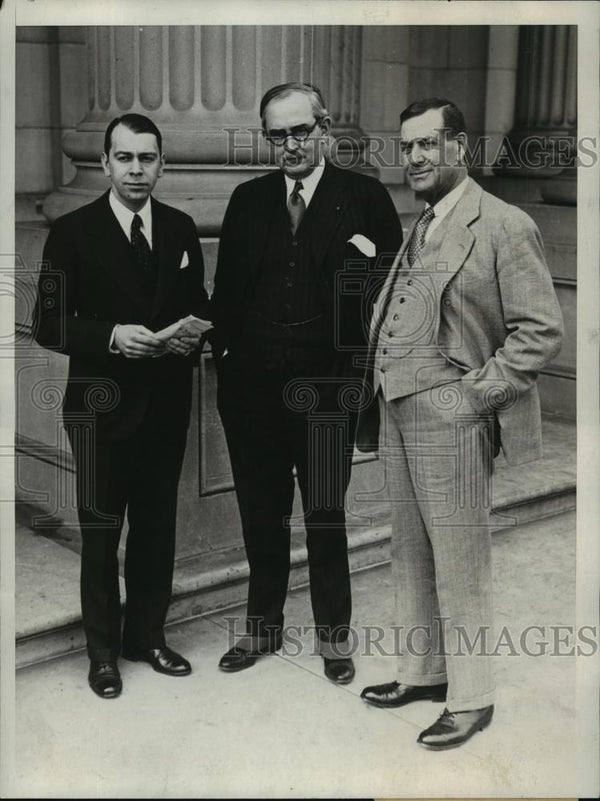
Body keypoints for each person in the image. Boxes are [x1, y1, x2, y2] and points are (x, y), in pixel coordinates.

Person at [359, 98, 563, 746]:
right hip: (397, 408)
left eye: (427, 144)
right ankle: (423, 671)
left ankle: (472, 696)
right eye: (407, 145)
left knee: (461, 557)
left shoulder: (503, 224)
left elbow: (540, 332)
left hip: (452, 415)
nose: (414, 157)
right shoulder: (420, 224)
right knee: (410, 550)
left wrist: (472, 398)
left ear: (459, 148)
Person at [211, 82, 403, 683]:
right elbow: (228, 295)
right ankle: (262, 628)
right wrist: (224, 355)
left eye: (299, 131)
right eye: (277, 135)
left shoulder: (365, 198)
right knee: (260, 515)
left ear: (324, 129)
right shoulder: (247, 201)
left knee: (325, 515)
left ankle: (333, 638)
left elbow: (392, 298)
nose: (289, 145)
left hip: (326, 394)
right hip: (251, 393)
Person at [34, 113, 211, 699]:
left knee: (157, 531)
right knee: (103, 534)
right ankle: (103, 654)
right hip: (100, 410)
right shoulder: (72, 232)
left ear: (162, 164)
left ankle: (148, 638)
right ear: (107, 163)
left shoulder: (183, 230)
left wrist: (196, 333)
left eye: (148, 158)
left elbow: (194, 303)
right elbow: (47, 324)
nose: (137, 169)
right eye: (126, 158)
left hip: (164, 409)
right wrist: (111, 335)